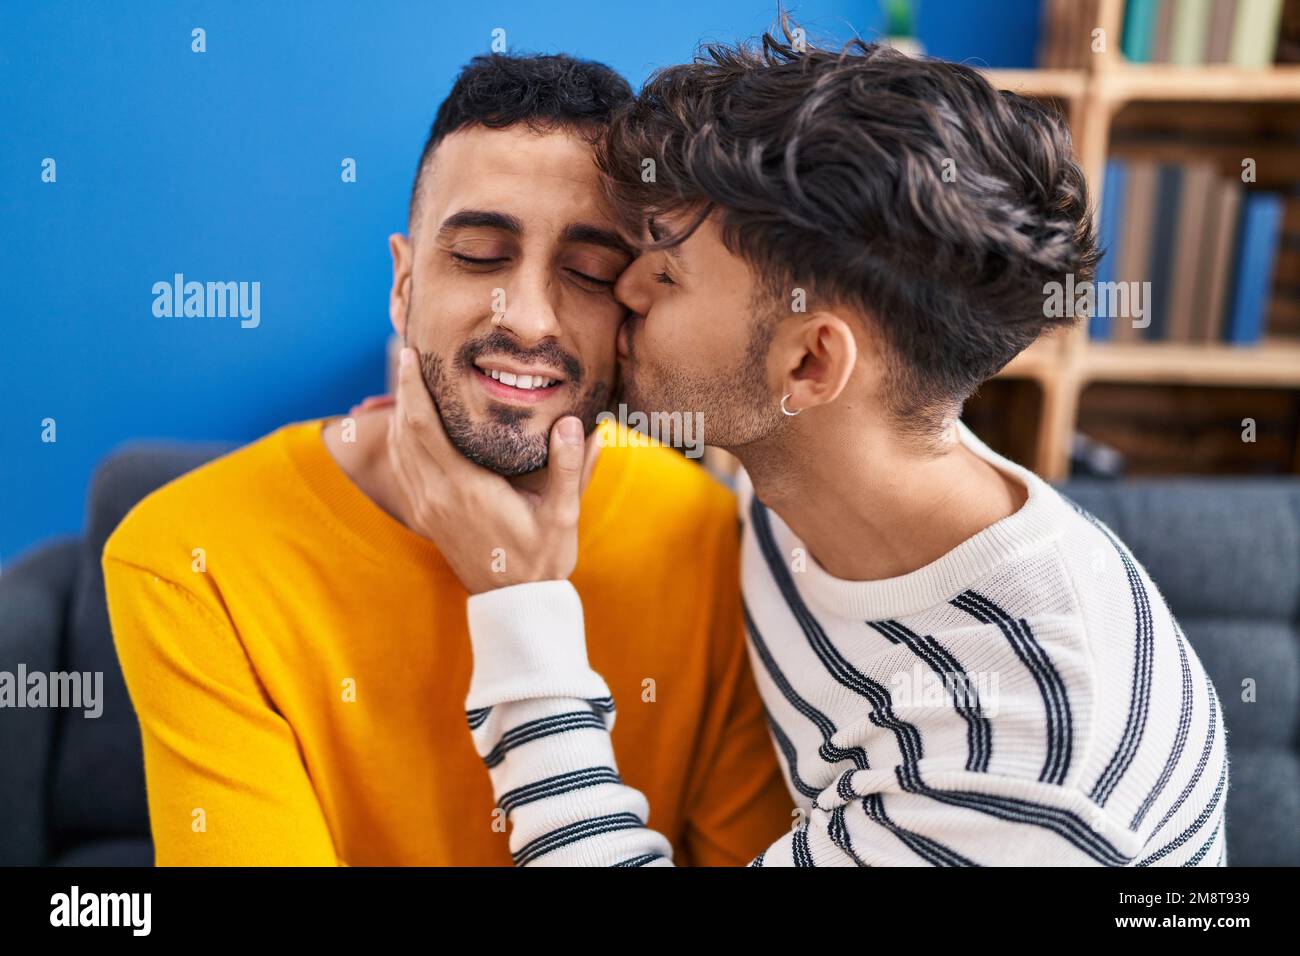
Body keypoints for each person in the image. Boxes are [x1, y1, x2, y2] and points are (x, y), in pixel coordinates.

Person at [401, 28, 1229, 866]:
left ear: (809, 363)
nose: (625, 287)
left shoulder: (1025, 765)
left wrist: (521, 601)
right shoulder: (821, 470)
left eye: (668, 273)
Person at [102, 52, 793, 866]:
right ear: (403, 286)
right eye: (477, 255)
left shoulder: (720, 542)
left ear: (636, 304)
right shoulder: (187, 557)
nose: (530, 319)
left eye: (588, 271)